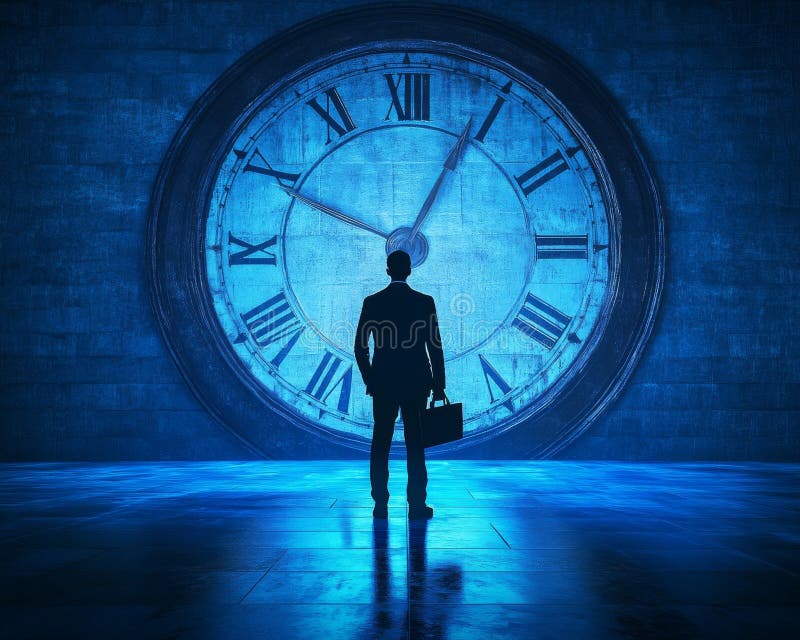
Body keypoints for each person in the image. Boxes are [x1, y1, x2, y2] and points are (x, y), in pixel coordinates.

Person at [354, 250, 446, 519]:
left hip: (384, 382)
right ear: (409, 270)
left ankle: (380, 503)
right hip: (417, 381)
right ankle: (417, 504)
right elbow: (435, 346)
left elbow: (360, 347)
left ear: (387, 270)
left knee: (380, 442)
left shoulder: (373, 302)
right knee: (415, 444)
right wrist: (438, 384)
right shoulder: (424, 302)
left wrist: (370, 379)